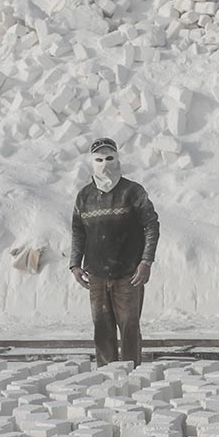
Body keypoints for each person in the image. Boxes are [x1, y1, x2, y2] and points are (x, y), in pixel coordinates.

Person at [69, 137, 160, 366]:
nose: (104, 164)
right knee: (102, 328)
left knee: (129, 327)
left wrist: (146, 262)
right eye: (99, 159)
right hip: (97, 275)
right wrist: (75, 264)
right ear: (92, 162)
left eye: (109, 158)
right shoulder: (84, 196)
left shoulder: (132, 192)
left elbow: (151, 225)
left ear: (117, 159)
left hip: (128, 274)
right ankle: (106, 376)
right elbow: (78, 231)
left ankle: (132, 375)